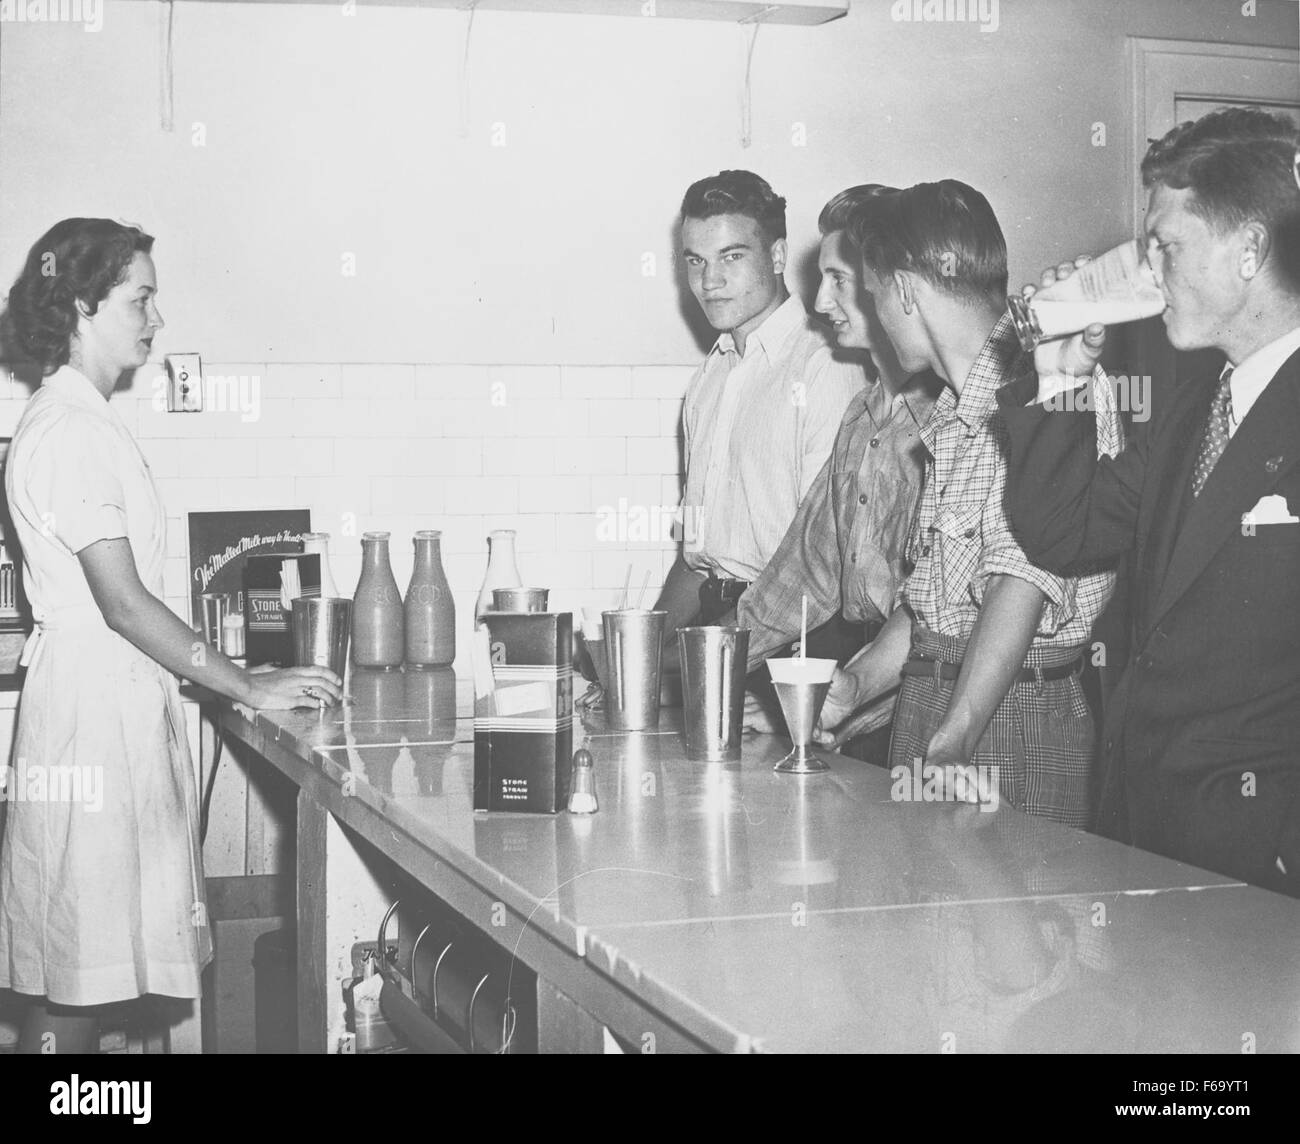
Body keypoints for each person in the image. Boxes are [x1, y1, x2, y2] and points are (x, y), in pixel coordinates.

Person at [0, 218, 343, 1053]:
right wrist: (249, 684)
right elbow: (123, 604)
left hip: (106, 712)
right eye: (139, 298)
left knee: (100, 962)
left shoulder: (84, 420)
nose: (155, 319)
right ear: (82, 304)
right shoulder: (69, 430)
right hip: (91, 723)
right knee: (78, 976)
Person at [999, 108, 1300, 895]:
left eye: (1167, 246)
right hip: (1145, 834)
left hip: (1257, 862)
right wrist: (1059, 374)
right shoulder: (1193, 407)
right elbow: (1062, 535)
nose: (1148, 271)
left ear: (1250, 251)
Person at [814, 181, 1123, 827]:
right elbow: (939, 596)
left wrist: (956, 736)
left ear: (904, 291)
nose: (872, 312)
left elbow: (1024, 577)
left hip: (1005, 722)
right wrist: (855, 687)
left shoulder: (1043, 386)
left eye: (872, 294)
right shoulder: (955, 408)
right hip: (938, 705)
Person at [730, 185, 941, 759]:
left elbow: (944, 610)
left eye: (839, 280)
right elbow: (804, 571)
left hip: (923, 706)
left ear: (889, 284)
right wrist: (708, 665)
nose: (820, 302)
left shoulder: (949, 417)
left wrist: (840, 704)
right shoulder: (862, 415)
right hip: (863, 695)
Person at [654, 170, 863, 644]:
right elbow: (701, 557)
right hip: (722, 627)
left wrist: (712, 654)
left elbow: (822, 562)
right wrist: (641, 652)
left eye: (731, 256)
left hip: (800, 640)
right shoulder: (710, 378)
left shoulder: (825, 364)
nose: (710, 280)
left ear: (777, 256)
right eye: (695, 260)